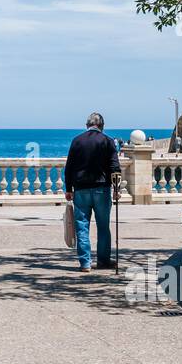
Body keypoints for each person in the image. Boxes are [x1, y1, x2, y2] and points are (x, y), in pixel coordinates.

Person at [64, 112, 122, 271]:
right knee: (103, 226)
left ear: (86, 125)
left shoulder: (77, 141)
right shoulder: (108, 141)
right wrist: (116, 190)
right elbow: (115, 168)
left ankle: (85, 263)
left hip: (81, 190)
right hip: (101, 189)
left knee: (82, 226)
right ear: (102, 126)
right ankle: (103, 261)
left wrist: (68, 189)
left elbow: (69, 168)